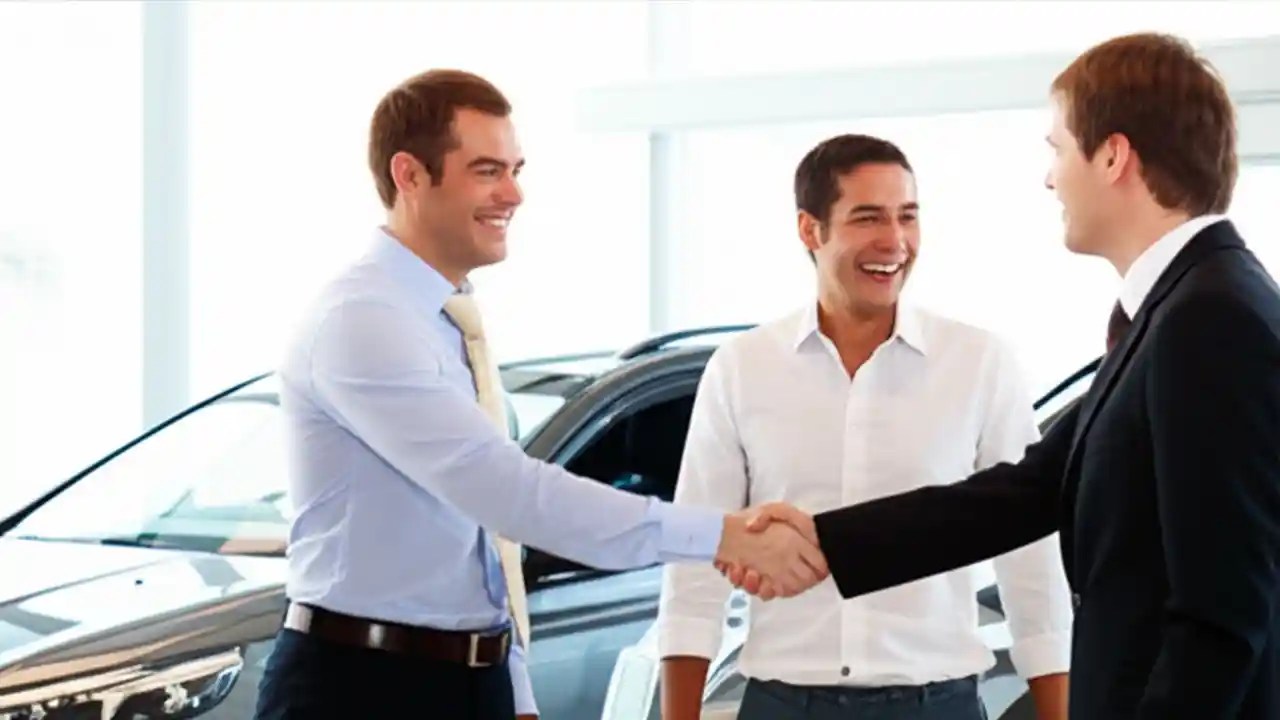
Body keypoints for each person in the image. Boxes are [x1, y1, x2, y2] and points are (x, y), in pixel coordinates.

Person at [726, 32, 1280, 720]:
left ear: (1113, 156)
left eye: (1057, 149)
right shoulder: (1178, 308)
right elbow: (1031, 488)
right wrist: (822, 539)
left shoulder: (1212, 316)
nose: (1051, 178)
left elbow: (1223, 611)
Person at [251, 69, 827, 720]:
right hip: (363, 688)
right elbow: (509, 492)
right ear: (410, 175)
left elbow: (477, 534)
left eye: (516, 169)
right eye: (488, 170)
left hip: (470, 678)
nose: (515, 194)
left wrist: (513, 682)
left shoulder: (445, 318)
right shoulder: (363, 320)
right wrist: (725, 535)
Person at [657, 134, 1073, 720]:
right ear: (810, 230)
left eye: (908, 216)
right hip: (783, 703)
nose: (895, 241)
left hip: (938, 703)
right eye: (867, 218)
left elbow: (1030, 561)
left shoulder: (980, 363)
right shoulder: (741, 368)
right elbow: (695, 556)